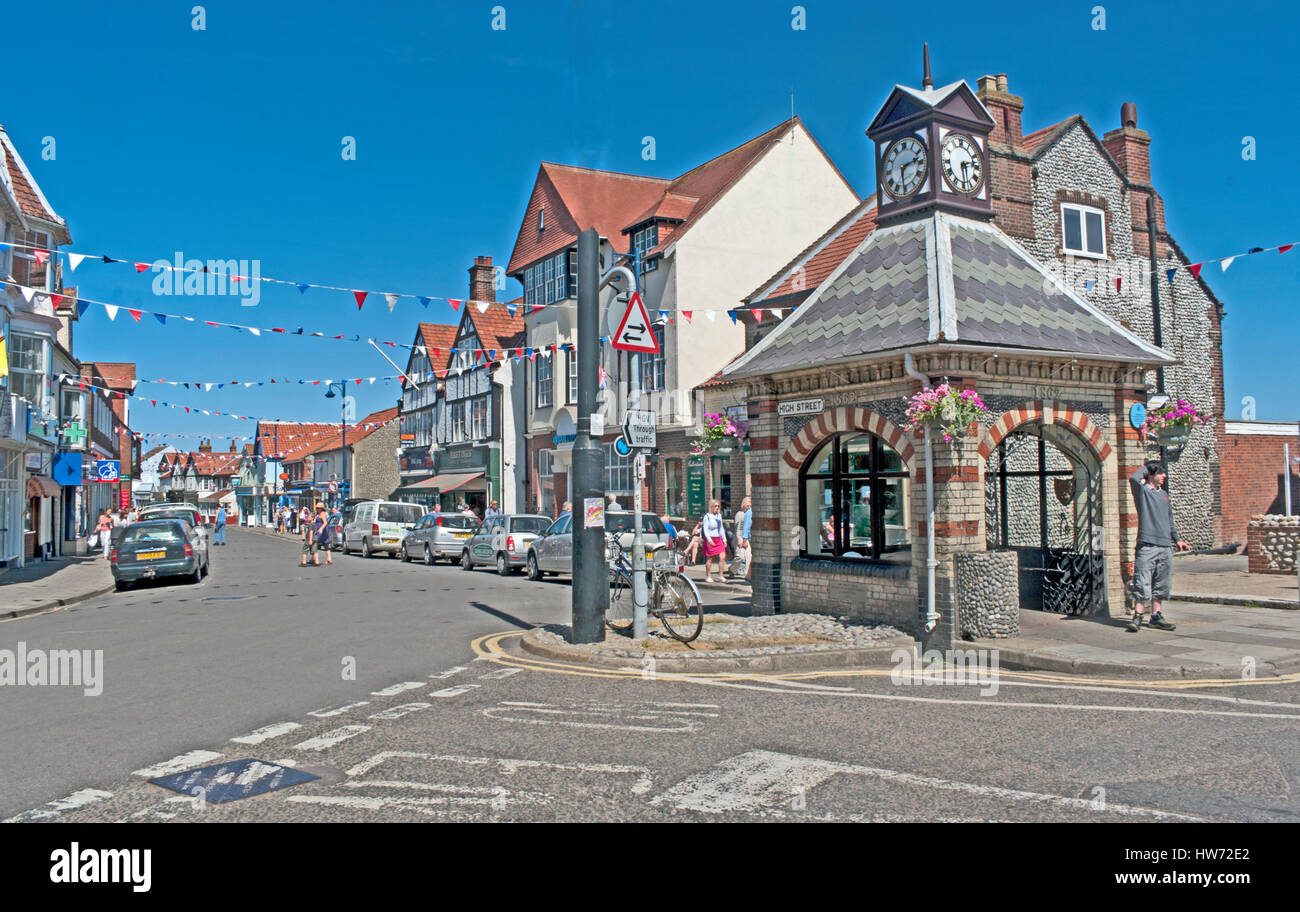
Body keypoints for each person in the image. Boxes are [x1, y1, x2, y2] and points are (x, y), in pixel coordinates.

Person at [1127, 460, 1190, 632]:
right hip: (1147, 546)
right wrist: (1148, 467)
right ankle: (1138, 616)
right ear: (1152, 475)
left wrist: (1177, 540)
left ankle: (1156, 615)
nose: (1165, 476)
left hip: (1165, 546)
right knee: (1142, 581)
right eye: (1161, 473)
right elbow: (1133, 478)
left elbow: (1169, 520)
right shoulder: (1143, 492)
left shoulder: (1164, 495)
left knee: (1162, 582)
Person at [701, 500, 727, 582]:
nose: (717, 507)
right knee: (710, 559)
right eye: (715, 506)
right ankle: (708, 576)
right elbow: (705, 530)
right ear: (711, 507)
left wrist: (724, 539)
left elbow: (721, 528)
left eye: (718, 506)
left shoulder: (719, 516)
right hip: (710, 539)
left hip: (718, 538)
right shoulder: (707, 516)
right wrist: (709, 540)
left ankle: (721, 576)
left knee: (722, 557)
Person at [728, 496, 752, 581]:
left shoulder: (749, 514)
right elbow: (737, 528)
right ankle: (732, 569)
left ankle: (748, 575)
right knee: (740, 557)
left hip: (747, 538)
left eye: (750, 506)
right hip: (739, 537)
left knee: (749, 556)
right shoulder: (739, 514)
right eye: (747, 506)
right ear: (744, 505)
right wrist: (739, 539)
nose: (749, 507)